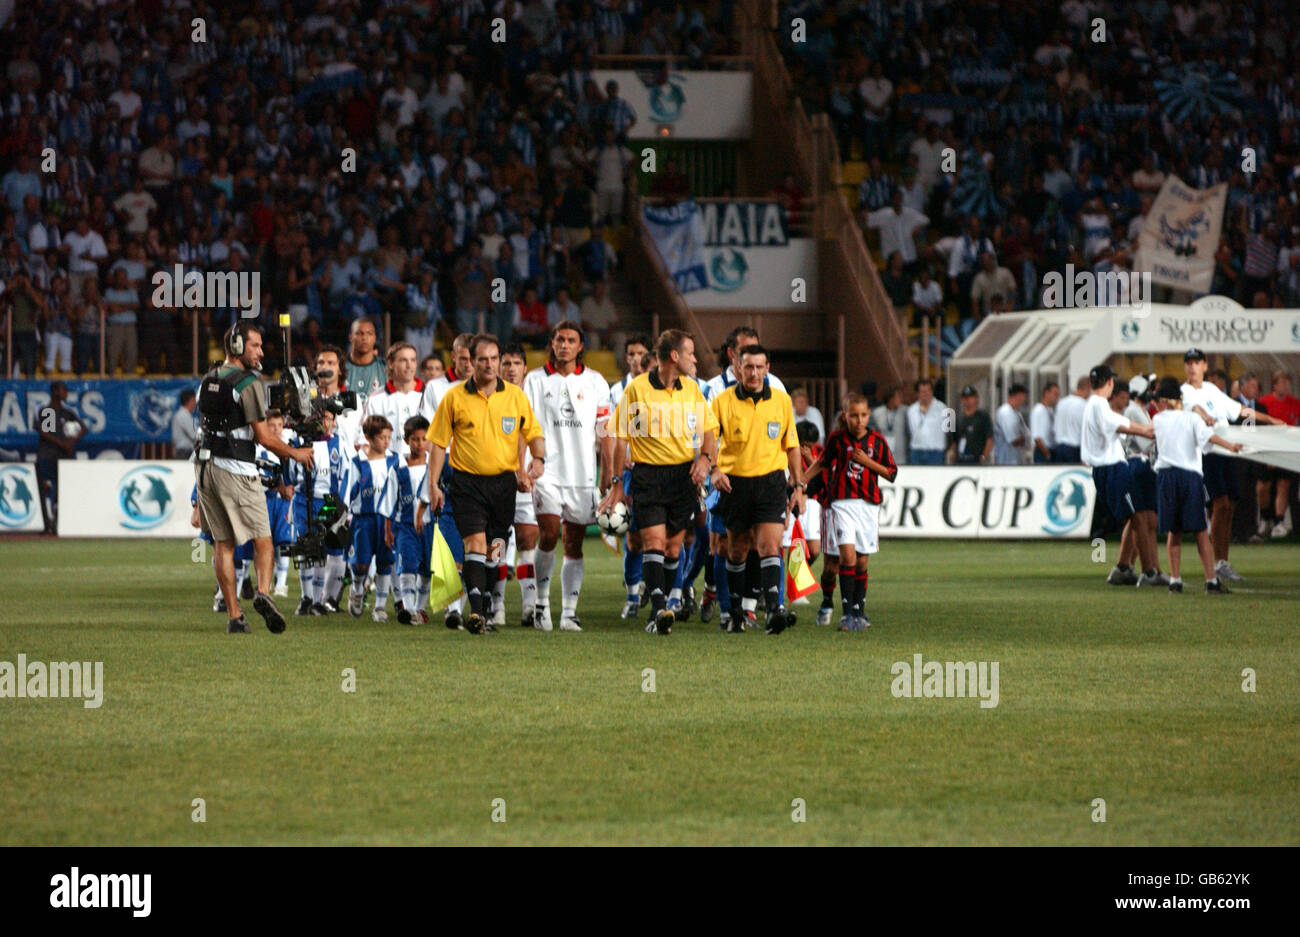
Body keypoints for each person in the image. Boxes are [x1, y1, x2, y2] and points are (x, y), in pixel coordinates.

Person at [419, 333, 546, 635]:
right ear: (471, 362)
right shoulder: (454, 397)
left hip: (503, 484)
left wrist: (538, 459)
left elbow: (533, 433)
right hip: (466, 483)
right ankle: (477, 612)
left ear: (499, 361)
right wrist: (434, 485)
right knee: (474, 545)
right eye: (482, 360)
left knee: (496, 549)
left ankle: (487, 602)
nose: (489, 365)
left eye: (493, 359)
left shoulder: (515, 396)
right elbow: (437, 444)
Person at [194, 321, 313, 634]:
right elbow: (263, 437)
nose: (261, 351)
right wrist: (295, 453)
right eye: (255, 346)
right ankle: (263, 593)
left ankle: (235, 616)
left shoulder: (208, 378)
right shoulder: (248, 383)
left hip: (206, 467)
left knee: (223, 544)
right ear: (236, 346)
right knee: (264, 540)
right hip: (237, 470)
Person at [600, 329, 719, 636]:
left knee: (672, 548)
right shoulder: (638, 390)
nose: (695, 359)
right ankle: (657, 610)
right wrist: (616, 484)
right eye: (690, 352)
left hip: (682, 477)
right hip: (648, 476)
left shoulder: (691, 390)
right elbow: (622, 437)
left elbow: (709, 430)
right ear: (674, 356)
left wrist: (705, 459)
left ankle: (663, 603)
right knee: (653, 543)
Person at [522, 321, 614, 632]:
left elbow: (605, 431)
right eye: (559, 339)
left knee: (574, 543)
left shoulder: (596, 382)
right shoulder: (534, 380)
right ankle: (542, 604)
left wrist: (609, 473)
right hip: (547, 472)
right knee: (548, 533)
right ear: (551, 342)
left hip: (583, 473)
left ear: (580, 346)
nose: (564, 345)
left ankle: (569, 612)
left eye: (571, 340)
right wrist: (529, 464)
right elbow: (527, 427)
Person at [709, 343, 804, 634]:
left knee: (769, 546)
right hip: (734, 483)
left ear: (767, 369)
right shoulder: (722, 401)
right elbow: (708, 440)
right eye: (748, 367)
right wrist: (713, 469)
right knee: (736, 551)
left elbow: (792, 445)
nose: (753, 373)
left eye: (759, 367)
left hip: (771, 482)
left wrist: (798, 485)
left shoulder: (781, 400)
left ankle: (774, 608)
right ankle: (735, 612)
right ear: (738, 367)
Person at [1181, 348, 1281, 583]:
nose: (1192, 366)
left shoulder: (1212, 390)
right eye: (1189, 362)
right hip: (1207, 452)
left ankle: (1222, 562)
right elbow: (1194, 408)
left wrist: (1270, 419)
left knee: (1229, 506)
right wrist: (1205, 415)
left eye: (1197, 362)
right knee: (1220, 503)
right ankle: (1216, 563)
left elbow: (1240, 410)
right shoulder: (1184, 391)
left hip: (1226, 451)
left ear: (1205, 366)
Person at [802, 393, 897, 631]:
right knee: (846, 557)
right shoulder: (836, 439)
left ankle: (859, 611)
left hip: (868, 505)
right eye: (854, 415)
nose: (859, 420)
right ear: (845, 416)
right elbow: (822, 463)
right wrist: (800, 481)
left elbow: (891, 473)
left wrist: (867, 462)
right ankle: (846, 614)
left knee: (862, 562)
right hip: (841, 504)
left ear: (868, 415)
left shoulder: (877, 442)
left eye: (863, 415)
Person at [1151, 377, 1243, 594]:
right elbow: (1209, 438)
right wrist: (1230, 445)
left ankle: (1175, 579)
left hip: (1166, 476)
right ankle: (1211, 580)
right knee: (1200, 531)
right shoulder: (1191, 419)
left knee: (1175, 531)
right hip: (1190, 476)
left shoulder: (1158, 420)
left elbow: (1147, 435)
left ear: (1164, 400)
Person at [1079, 364, 1159, 588]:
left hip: (1106, 469)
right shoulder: (1099, 405)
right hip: (1112, 468)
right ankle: (1150, 572)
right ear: (1110, 382)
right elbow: (1118, 424)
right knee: (1139, 517)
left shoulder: (1092, 405)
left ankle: (1124, 568)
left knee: (1136, 516)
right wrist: (1145, 430)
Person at [340, 415, 402, 621]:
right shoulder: (358, 462)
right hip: (364, 520)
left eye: (388, 437)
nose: (386, 442)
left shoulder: (395, 460)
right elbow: (348, 490)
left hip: (387, 520)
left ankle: (380, 607)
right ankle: (357, 590)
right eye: (382, 437)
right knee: (361, 564)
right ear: (368, 437)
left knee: (386, 563)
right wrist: (341, 515)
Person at [499, 343, 542, 628]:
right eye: (507, 363)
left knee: (527, 542)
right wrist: (515, 470)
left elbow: (533, 434)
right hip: (498, 479)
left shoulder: (535, 395)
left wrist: (534, 465)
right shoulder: (493, 396)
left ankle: (529, 604)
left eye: (516, 363)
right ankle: (496, 604)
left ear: (525, 368)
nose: (511, 368)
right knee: (496, 544)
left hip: (529, 480)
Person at [609, 335, 650, 618]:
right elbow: (609, 432)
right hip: (629, 473)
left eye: (641, 354)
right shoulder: (617, 390)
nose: (636, 359)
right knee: (634, 537)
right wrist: (612, 474)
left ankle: (674, 592)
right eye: (632, 354)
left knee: (666, 535)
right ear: (626, 358)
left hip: (659, 471)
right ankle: (633, 596)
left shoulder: (662, 389)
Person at [388, 415, 435, 625]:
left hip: (429, 525)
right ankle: (407, 608)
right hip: (405, 526)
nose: (420, 443)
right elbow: (389, 502)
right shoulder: (398, 470)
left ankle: (420, 607)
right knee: (407, 565)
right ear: (406, 440)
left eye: (424, 439)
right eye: (415, 439)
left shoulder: (434, 468)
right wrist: (388, 528)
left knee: (427, 569)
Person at [255, 409, 298, 598]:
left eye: (279, 425)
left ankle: (281, 584)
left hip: (282, 503)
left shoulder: (287, 446)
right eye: (271, 425)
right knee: (265, 543)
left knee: (284, 542)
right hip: (264, 501)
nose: (276, 429)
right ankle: (266, 580)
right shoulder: (259, 449)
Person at [35, 381, 86, 534]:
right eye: (64, 390)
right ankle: (46, 524)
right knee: (46, 489)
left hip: (65, 456)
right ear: (55, 392)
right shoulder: (48, 411)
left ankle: (59, 523)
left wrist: (71, 441)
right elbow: (46, 434)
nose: (66, 393)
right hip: (49, 455)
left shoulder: (67, 412)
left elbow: (83, 428)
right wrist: (62, 443)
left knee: (63, 491)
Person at [363, 342, 425, 458]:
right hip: (388, 468)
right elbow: (365, 438)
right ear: (391, 363)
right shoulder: (376, 398)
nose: (409, 365)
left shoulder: (428, 395)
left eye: (413, 360)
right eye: (403, 360)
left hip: (424, 468)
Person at [1257, 370, 1299, 538]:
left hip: (1286, 452)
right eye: (1282, 382)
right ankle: (1266, 518)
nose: (1286, 386)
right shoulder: (1264, 403)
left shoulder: (1296, 404)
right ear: (1274, 385)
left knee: (1284, 485)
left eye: (1288, 383)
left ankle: (1279, 522)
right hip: (1267, 451)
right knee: (1263, 488)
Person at [948, 385, 993, 465]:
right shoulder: (958, 418)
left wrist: (984, 456)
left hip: (977, 459)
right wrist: (954, 456)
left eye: (970, 397)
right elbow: (954, 441)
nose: (967, 400)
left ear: (976, 399)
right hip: (961, 459)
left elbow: (989, 439)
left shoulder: (983, 417)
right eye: (965, 398)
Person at [906, 378, 948, 464]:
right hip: (916, 451)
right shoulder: (911, 410)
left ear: (932, 392)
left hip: (936, 452)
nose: (926, 394)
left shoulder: (943, 408)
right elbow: (909, 432)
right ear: (918, 393)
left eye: (928, 391)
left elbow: (949, 433)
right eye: (923, 391)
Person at [344, 317, 387, 402]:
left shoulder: (385, 368)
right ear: (350, 337)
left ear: (375, 337)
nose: (364, 338)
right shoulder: (340, 367)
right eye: (359, 333)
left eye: (369, 333)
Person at [1053, 376, 1090, 463]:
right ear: (1088, 388)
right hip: (1074, 449)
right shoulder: (1083, 405)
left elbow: (1055, 426)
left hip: (1059, 447)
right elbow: (1085, 430)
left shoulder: (1061, 403)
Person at [869, 385, 907, 465]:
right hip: (884, 456)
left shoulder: (905, 411)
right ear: (891, 398)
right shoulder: (877, 413)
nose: (901, 399)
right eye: (898, 396)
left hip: (901, 457)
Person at [992, 383, 1030, 465]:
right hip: (1006, 461)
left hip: (1016, 460)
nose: (1024, 398)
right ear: (1019, 395)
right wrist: (1027, 440)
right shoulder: (1006, 412)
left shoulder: (1016, 412)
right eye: (1024, 395)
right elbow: (1013, 439)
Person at [1030, 382, 1059, 463]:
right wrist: (1047, 454)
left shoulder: (1051, 411)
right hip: (1043, 451)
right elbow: (1036, 437)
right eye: (1055, 394)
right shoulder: (1038, 410)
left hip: (1052, 449)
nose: (1057, 397)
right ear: (1046, 393)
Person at [171, 389, 198, 459]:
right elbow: (194, 434)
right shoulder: (183, 415)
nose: (196, 403)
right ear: (190, 401)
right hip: (184, 452)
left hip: (184, 452)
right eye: (194, 400)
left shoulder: (184, 414)